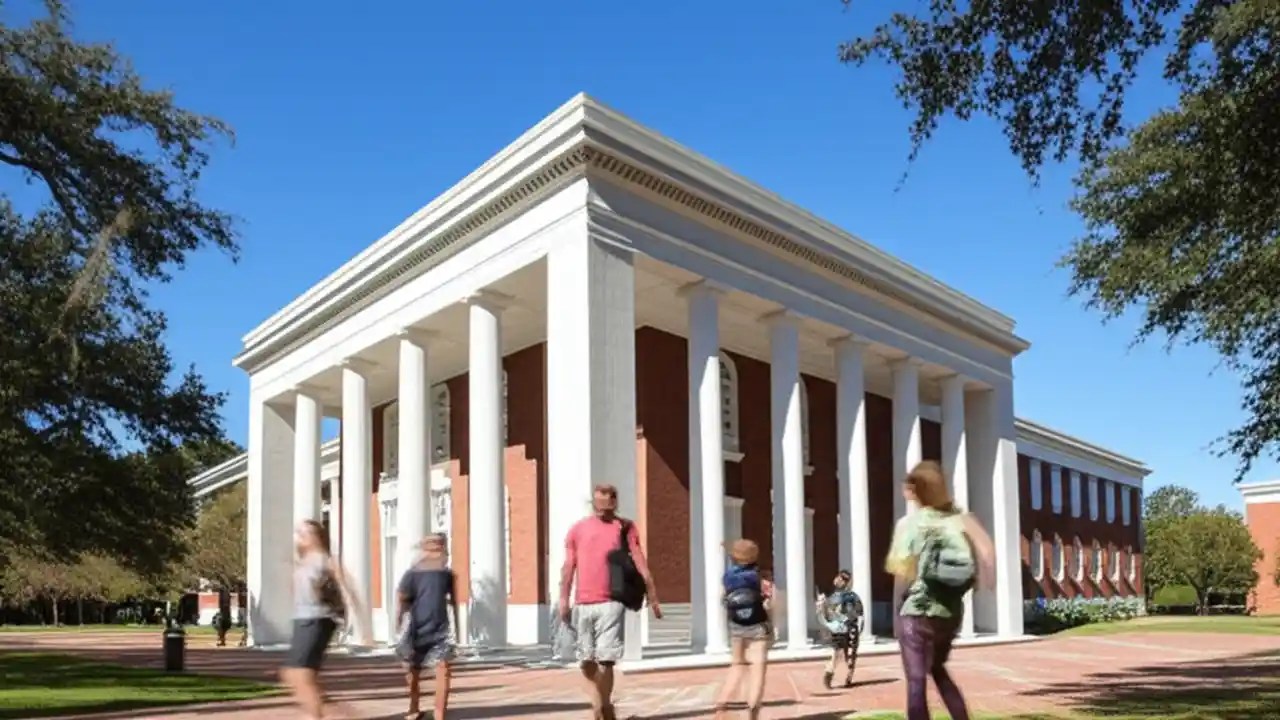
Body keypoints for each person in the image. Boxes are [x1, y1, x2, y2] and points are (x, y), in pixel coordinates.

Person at [885, 461, 995, 720]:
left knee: (915, 682)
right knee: (938, 669)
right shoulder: (961, 519)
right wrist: (986, 581)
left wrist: (896, 615)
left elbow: (902, 574)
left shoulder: (909, 524)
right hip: (950, 612)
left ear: (916, 490)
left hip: (917, 611)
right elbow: (987, 552)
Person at [559, 484, 662, 720]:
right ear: (593, 502)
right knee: (586, 662)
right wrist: (563, 599)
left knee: (606, 660)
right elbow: (568, 567)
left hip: (611, 602)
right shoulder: (578, 529)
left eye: (610, 500)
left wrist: (652, 594)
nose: (605, 504)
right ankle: (603, 702)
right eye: (601, 500)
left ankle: (601, 710)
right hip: (583, 603)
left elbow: (639, 560)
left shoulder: (625, 527)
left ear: (615, 502)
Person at [281, 519, 355, 720]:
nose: (301, 537)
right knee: (294, 674)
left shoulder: (326, 560)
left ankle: (315, 715)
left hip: (318, 619)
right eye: (300, 533)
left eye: (306, 533)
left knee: (301, 674)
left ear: (318, 536)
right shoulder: (303, 562)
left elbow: (348, 590)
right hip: (303, 619)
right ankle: (335, 712)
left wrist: (360, 626)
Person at [396, 533, 458, 720]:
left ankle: (439, 714)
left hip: (440, 629)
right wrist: (399, 619)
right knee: (412, 670)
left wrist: (458, 629)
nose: (437, 552)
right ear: (425, 550)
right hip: (417, 629)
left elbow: (453, 600)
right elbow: (401, 597)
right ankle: (414, 706)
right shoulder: (412, 574)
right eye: (433, 548)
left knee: (443, 670)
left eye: (440, 547)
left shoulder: (447, 575)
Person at [713, 539, 772, 720]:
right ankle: (753, 707)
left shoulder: (728, 577)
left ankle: (723, 701)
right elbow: (770, 603)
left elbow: (723, 600)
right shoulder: (759, 577)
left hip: (737, 625)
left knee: (737, 664)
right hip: (758, 625)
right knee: (757, 667)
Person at [815, 569, 864, 689]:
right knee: (837, 651)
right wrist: (821, 608)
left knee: (851, 654)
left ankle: (848, 676)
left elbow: (859, 613)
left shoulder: (852, 596)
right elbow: (826, 615)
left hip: (851, 628)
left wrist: (859, 626)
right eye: (839, 577)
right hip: (838, 629)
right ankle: (829, 672)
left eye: (843, 579)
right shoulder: (831, 597)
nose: (839, 580)